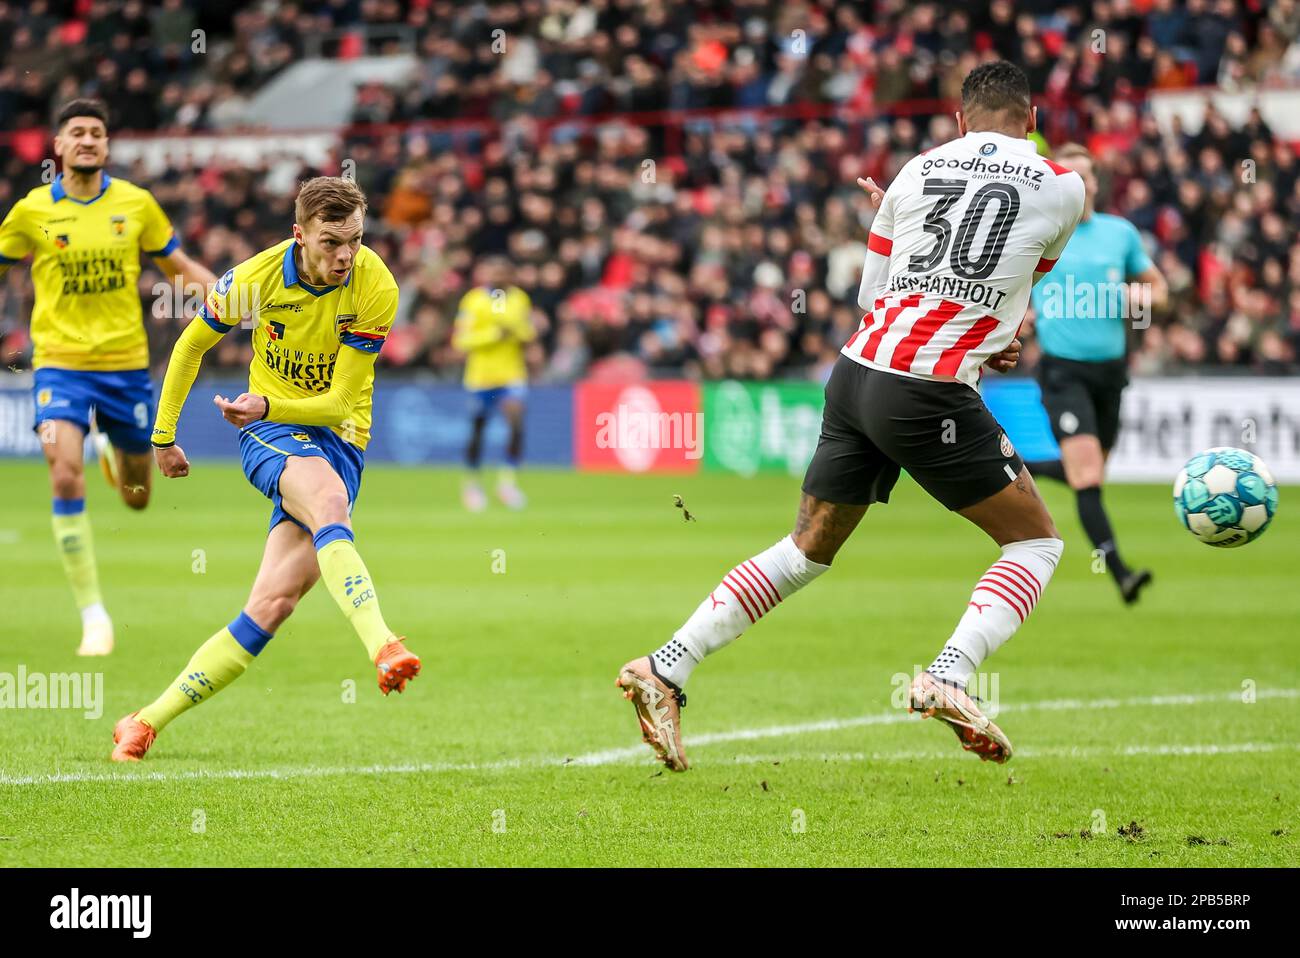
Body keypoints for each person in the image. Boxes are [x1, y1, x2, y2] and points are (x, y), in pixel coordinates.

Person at [616, 62, 1085, 770]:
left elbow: (876, 298)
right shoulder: (1064, 186)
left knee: (805, 549)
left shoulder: (913, 172)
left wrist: (909, 234)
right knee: (1035, 544)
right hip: (928, 389)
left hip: (857, 374)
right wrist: (995, 338)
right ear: (1034, 118)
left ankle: (665, 666)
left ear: (958, 119)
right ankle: (949, 674)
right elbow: (1013, 277)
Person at [111, 176, 420, 762]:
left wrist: (267, 403)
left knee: (271, 606)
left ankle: (144, 721)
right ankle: (383, 644)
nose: (346, 255)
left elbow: (339, 402)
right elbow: (190, 346)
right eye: (332, 242)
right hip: (269, 432)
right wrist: (163, 437)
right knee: (329, 503)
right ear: (300, 234)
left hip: (340, 437)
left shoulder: (375, 284)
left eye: (355, 240)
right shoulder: (254, 279)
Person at [0, 98, 215, 656]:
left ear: (107, 145)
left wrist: (232, 301)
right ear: (59, 146)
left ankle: (114, 456)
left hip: (124, 368)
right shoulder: (30, 211)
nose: (88, 140)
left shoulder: (136, 204)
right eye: (77, 132)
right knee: (63, 473)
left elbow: (178, 267)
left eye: (96, 132)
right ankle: (94, 617)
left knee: (138, 496)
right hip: (60, 365)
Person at [1023, 143, 1167, 604]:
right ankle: (1121, 572)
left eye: (1085, 176)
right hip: (1062, 372)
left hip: (1111, 373)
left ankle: (1024, 466)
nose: (1078, 184)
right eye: (1068, 176)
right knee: (1087, 476)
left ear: (1096, 183)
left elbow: (1159, 289)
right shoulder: (1040, 233)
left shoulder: (1119, 234)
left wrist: (1139, 297)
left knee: (1089, 473)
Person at [451, 256, 535, 511]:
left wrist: (515, 331)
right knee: (478, 429)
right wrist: (493, 334)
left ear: (510, 275)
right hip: (481, 377)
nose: (498, 277)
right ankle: (472, 485)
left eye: (502, 272)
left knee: (516, 422)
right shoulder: (473, 300)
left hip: (511, 375)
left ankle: (507, 483)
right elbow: (461, 340)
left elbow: (529, 332)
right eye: (493, 272)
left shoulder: (520, 299)